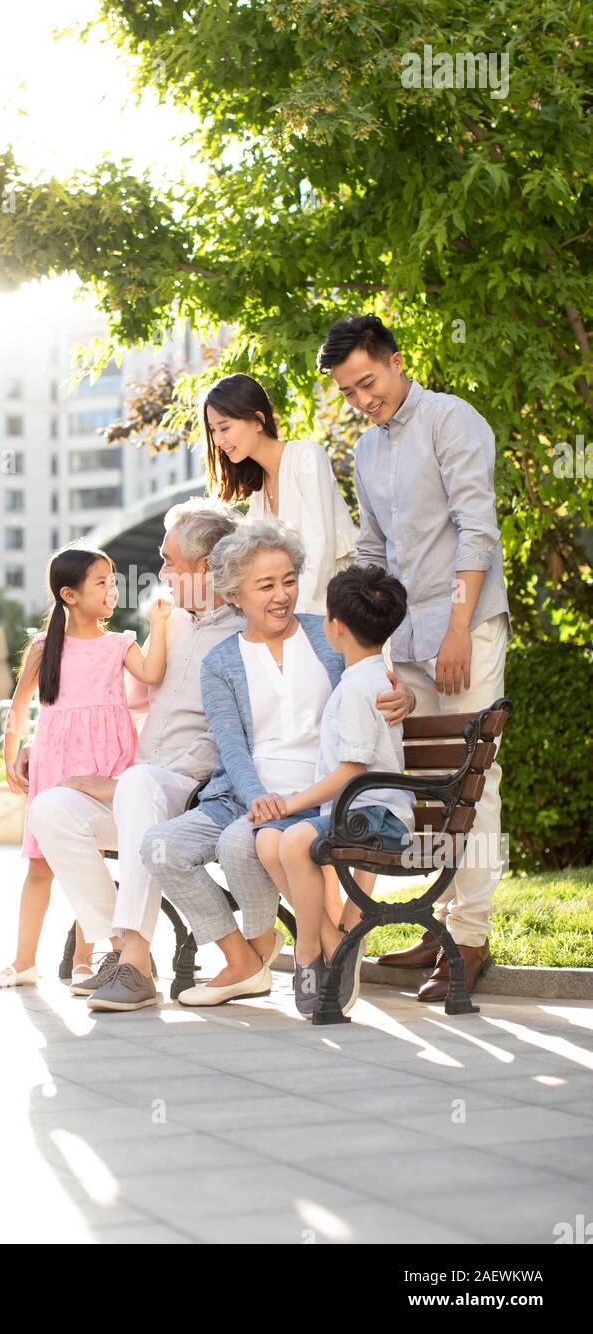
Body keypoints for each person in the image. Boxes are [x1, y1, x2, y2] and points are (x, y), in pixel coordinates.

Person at [317, 313, 511, 1000]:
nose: (362, 400)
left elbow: (476, 528)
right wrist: (369, 649)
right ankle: (439, 922)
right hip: (404, 642)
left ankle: (470, 935)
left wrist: (458, 625)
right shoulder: (367, 451)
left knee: (468, 781)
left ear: (396, 361)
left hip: (467, 627)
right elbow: (374, 550)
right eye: (348, 392)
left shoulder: (453, 420)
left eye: (367, 382)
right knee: (416, 780)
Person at [144, 518, 414, 1008]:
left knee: (242, 844)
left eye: (288, 580)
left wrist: (406, 696)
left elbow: (374, 685)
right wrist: (257, 798)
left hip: (320, 797)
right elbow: (232, 748)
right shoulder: (221, 662)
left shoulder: (330, 636)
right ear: (234, 593)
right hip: (247, 799)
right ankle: (247, 960)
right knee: (160, 847)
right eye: (265, 585)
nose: (281, 595)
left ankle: (304, 947)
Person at [16, 499, 247, 1012]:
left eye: (169, 561)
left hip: (196, 796)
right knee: (49, 809)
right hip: (140, 790)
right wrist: (45, 739)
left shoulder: (245, 632)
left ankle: (138, 962)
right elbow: (125, 698)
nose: (159, 571)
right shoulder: (171, 622)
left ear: (205, 567)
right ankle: (119, 949)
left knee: (139, 784)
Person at [0, 545, 170, 989]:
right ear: (69, 594)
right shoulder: (45, 649)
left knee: (92, 857)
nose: (112, 589)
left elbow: (153, 673)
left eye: (113, 581)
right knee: (39, 867)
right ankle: (24, 962)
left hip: (103, 762)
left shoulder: (120, 643)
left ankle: (87, 960)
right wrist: (12, 758)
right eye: (100, 582)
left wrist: (158, 626)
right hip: (54, 760)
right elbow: (19, 707)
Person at [252, 564, 414, 1017]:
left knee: (296, 837)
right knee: (269, 841)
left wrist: (291, 803)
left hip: (377, 817)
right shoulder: (364, 679)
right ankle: (333, 939)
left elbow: (351, 772)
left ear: (335, 627)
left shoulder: (363, 686)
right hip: (354, 813)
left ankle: (308, 952)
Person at [203, 372, 357, 612]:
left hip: (336, 608)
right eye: (213, 430)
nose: (218, 440)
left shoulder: (306, 457)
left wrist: (295, 621)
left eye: (224, 427)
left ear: (257, 420)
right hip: (290, 614)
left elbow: (320, 552)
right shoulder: (259, 489)